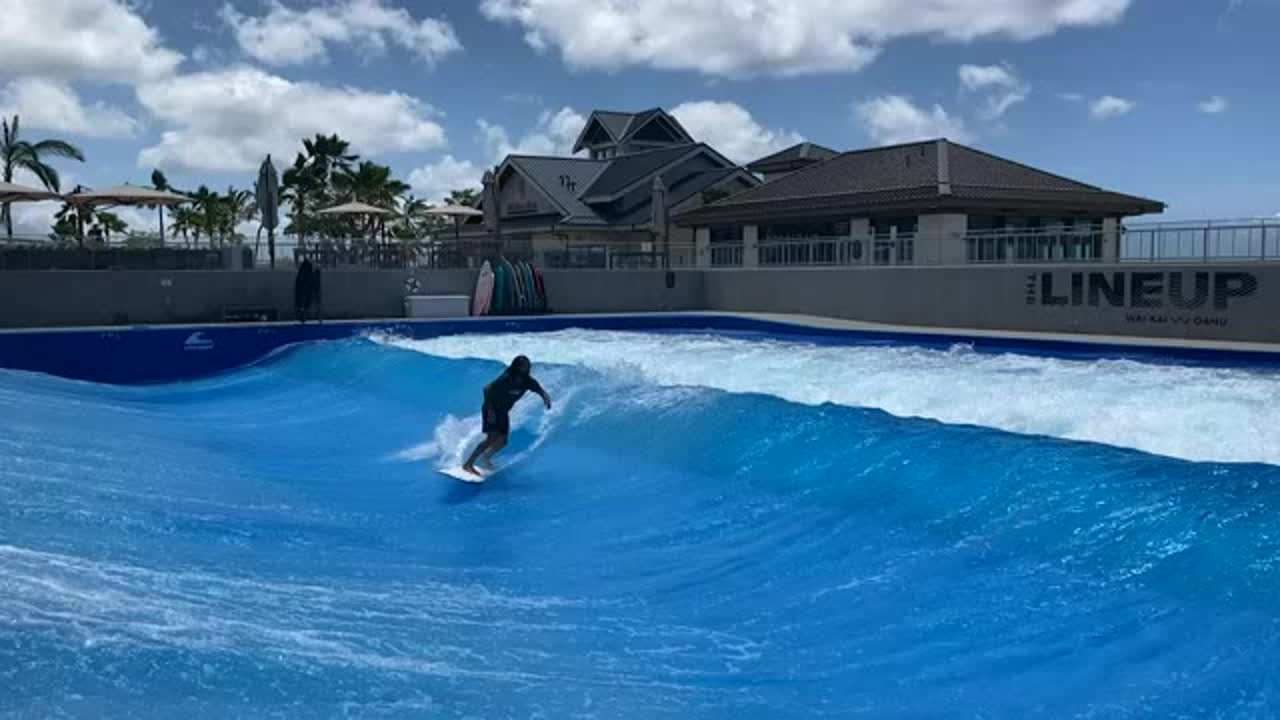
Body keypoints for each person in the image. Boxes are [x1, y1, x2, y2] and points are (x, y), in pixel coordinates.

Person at [462, 355, 551, 476]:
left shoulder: (528, 381)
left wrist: (545, 397)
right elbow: (487, 389)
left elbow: (539, 389)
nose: (527, 368)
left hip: (503, 411)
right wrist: (491, 412)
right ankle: (468, 464)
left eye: (528, 365)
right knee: (491, 438)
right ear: (517, 367)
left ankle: (485, 458)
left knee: (503, 442)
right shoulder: (506, 378)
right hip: (491, 409)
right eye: (524, 366)